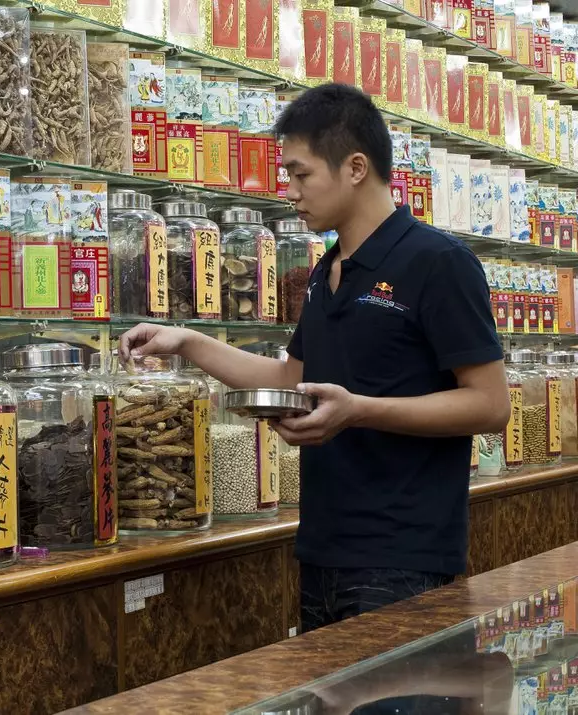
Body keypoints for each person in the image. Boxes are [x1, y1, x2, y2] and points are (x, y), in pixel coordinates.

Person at [119, 83, 510, 634]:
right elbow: (291, 378)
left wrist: (359, 410)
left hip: (404, 556)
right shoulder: (329, 273)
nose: (291, 192)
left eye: (301, 175)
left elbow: (490, 405)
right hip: (322, 549)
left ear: (354, 167)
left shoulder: (438, 262)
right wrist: (185, 342)